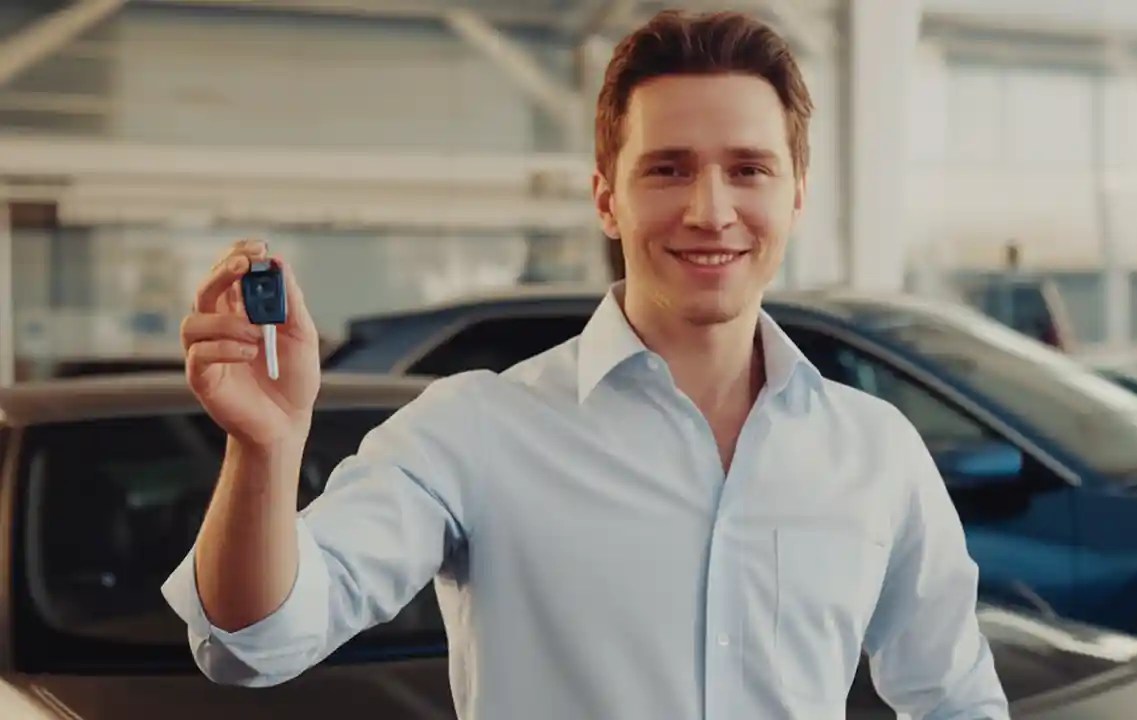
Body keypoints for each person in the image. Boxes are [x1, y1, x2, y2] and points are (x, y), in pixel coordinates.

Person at [163, 9, 1009, 720]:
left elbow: (957, 701)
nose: (711, 211)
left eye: (747, 170)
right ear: (606, 197)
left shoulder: (876, 451)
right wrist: (266, 450)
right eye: (668, 170)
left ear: (794, 194)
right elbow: (256, 642)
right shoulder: (475, 430)